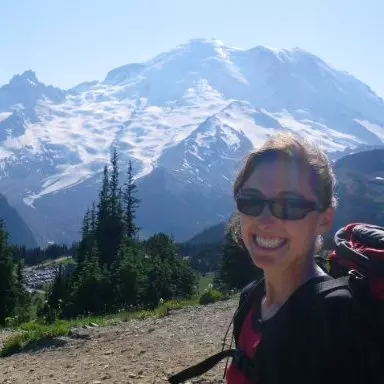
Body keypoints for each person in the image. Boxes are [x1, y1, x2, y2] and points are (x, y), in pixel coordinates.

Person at [225, 132, 382, 384]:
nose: (265, 220)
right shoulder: (252, 298)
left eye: (290, 205)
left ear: (324, 220)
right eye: (251, 201)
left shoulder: (336, 320)